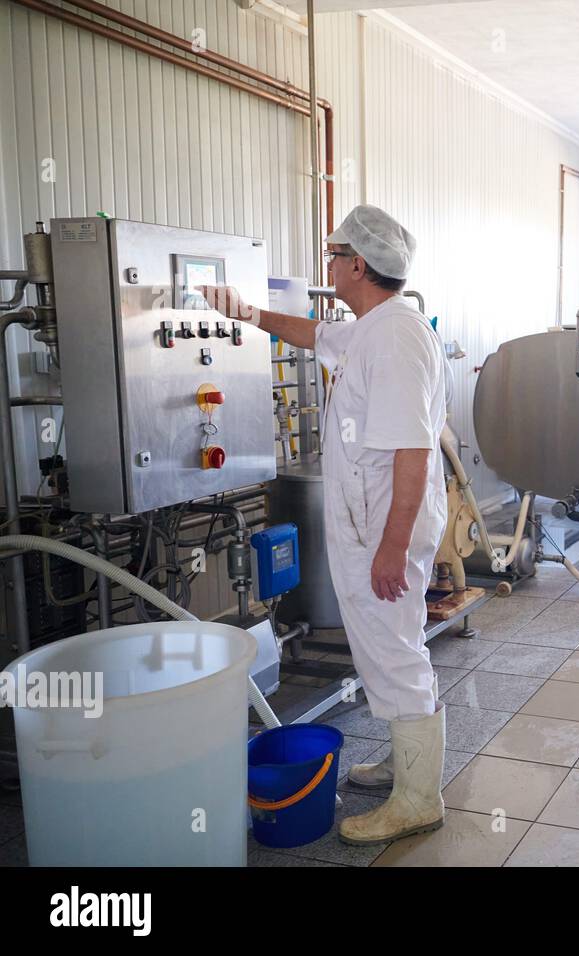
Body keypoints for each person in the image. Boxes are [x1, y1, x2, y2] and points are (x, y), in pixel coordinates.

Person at [202, 204, 448, 845]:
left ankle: (419, 798)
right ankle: (404, 765)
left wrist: (391, 548)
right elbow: (312, 333)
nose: (328, 264)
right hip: (371, 523)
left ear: (358, 265)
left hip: (382, 529)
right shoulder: (371, 327)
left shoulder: (394, 338)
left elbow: (413, 452)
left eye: (333, 254)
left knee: (393, 651)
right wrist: (242, 313)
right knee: (390, 646)